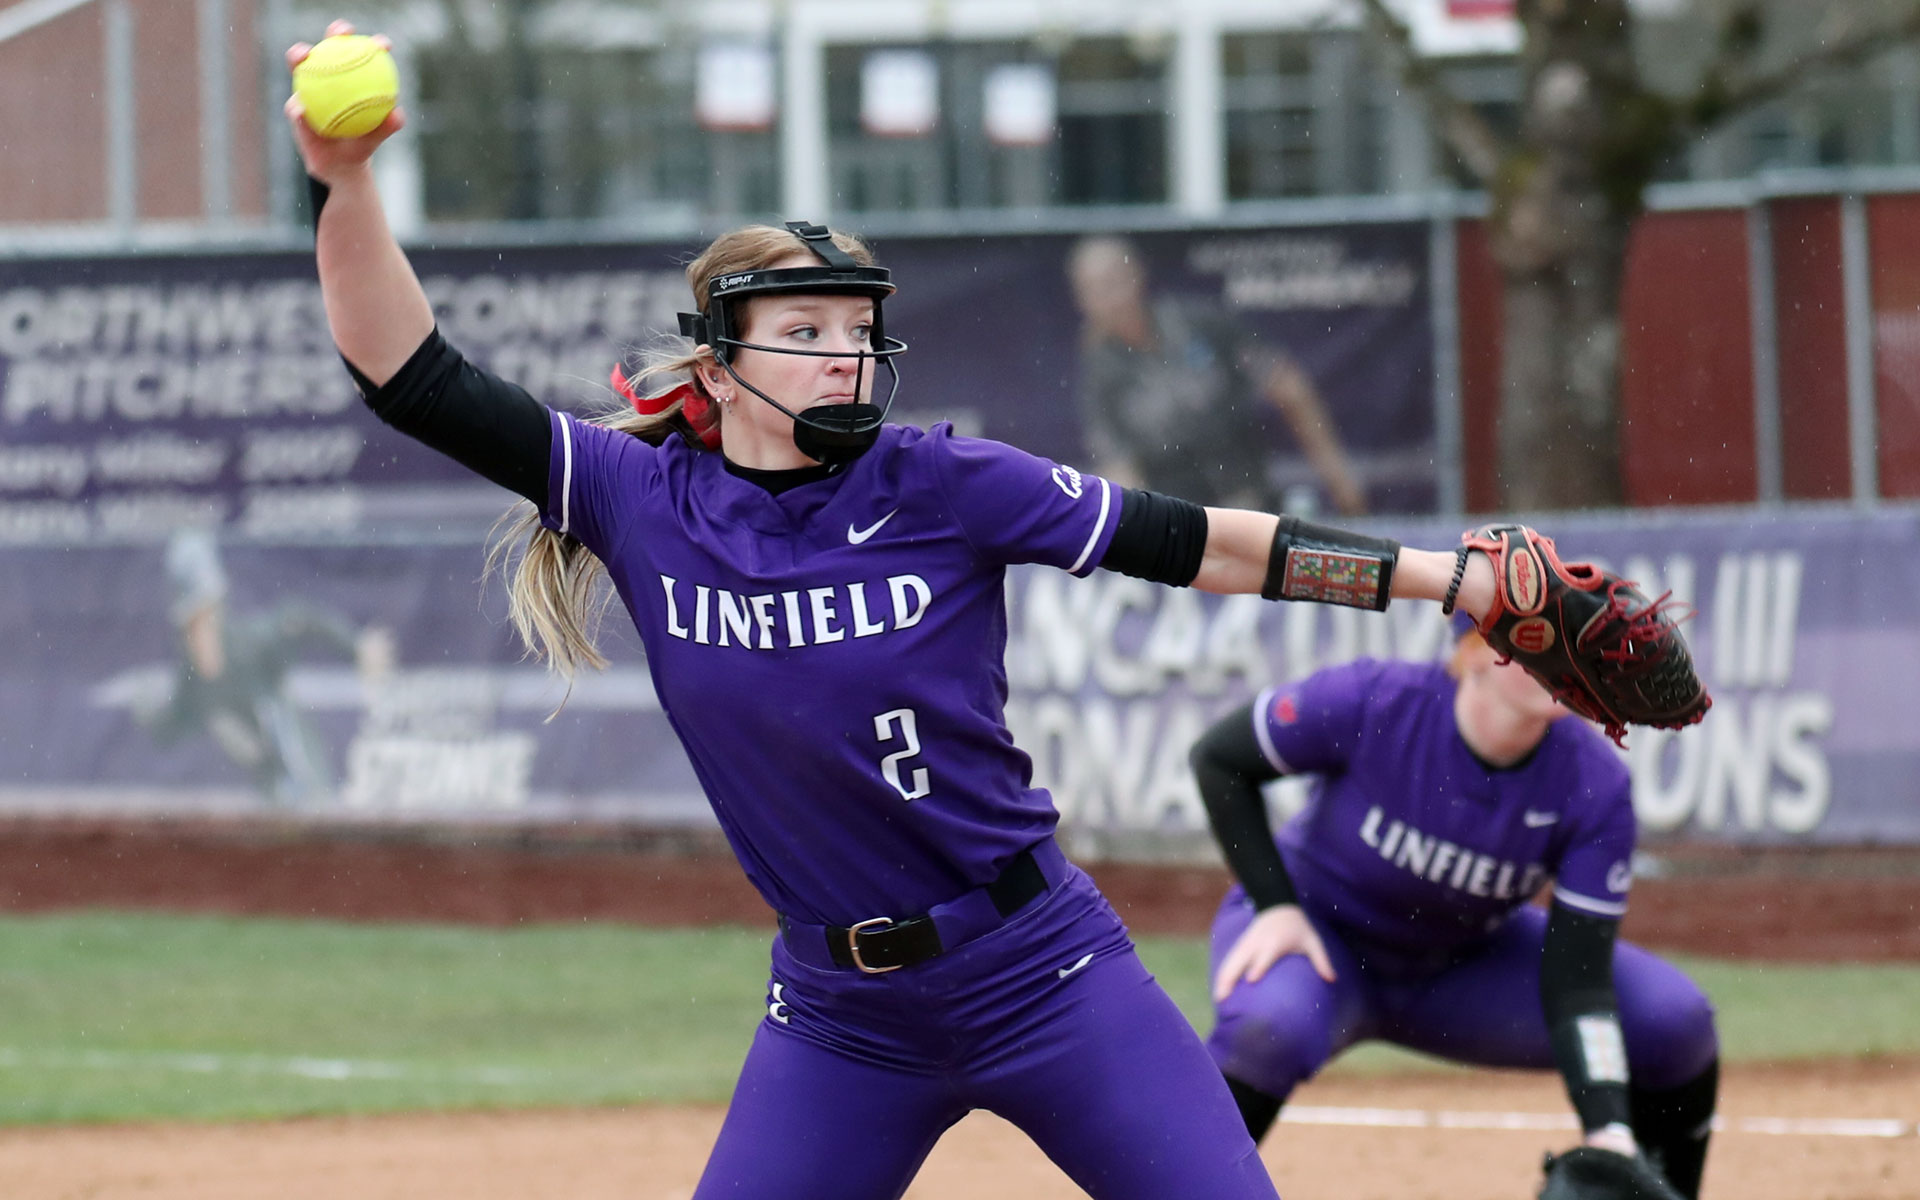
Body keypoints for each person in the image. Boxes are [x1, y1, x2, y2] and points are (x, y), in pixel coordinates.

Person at [285, 22, 1586, 1197]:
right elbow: (411, 377)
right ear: (723, 359)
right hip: (842, 1016)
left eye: (856, 328)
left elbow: (1201, 546)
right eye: (805, 329)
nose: (844, 352)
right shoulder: (640, 498)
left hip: (1042, 971)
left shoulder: (942, 481)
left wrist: (1449, 577)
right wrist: (342, 183)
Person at [1190, 612, 1720, 1200]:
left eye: (1570, 651)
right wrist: (1275, 905)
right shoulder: (1378, 700)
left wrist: (1609, 1128)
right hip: (1318, 941)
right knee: (1270, 1028)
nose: (1562, 667)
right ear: (1470, 654)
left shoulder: (1593, 781)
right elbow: (1219, 759)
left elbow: (1580, 978)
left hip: (1466, 965)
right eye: (1535, 647)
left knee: (1674, 1020)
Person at [1068, 235, 1368, 517]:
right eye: (1094, 289)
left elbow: (1287, 385)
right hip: (1177, 526)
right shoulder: (1100, 373)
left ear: (1137, 275)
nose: (1110, 298)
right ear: (1081, 300)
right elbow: (1117, 465)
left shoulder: (1199, 324)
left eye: (1113, 282)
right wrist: (1139, 531)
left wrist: (1338, 478)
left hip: (1251, 504)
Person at [136, 527, 392, 806]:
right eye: (193, 625)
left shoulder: (250, 644)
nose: (202, 634)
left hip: (308, 782)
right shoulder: (192, 682)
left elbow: (302, 620)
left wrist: (355, 647)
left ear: (219, 609)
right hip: (272, 796)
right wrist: (146, 711)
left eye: (208, 616)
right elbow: (170, 727)